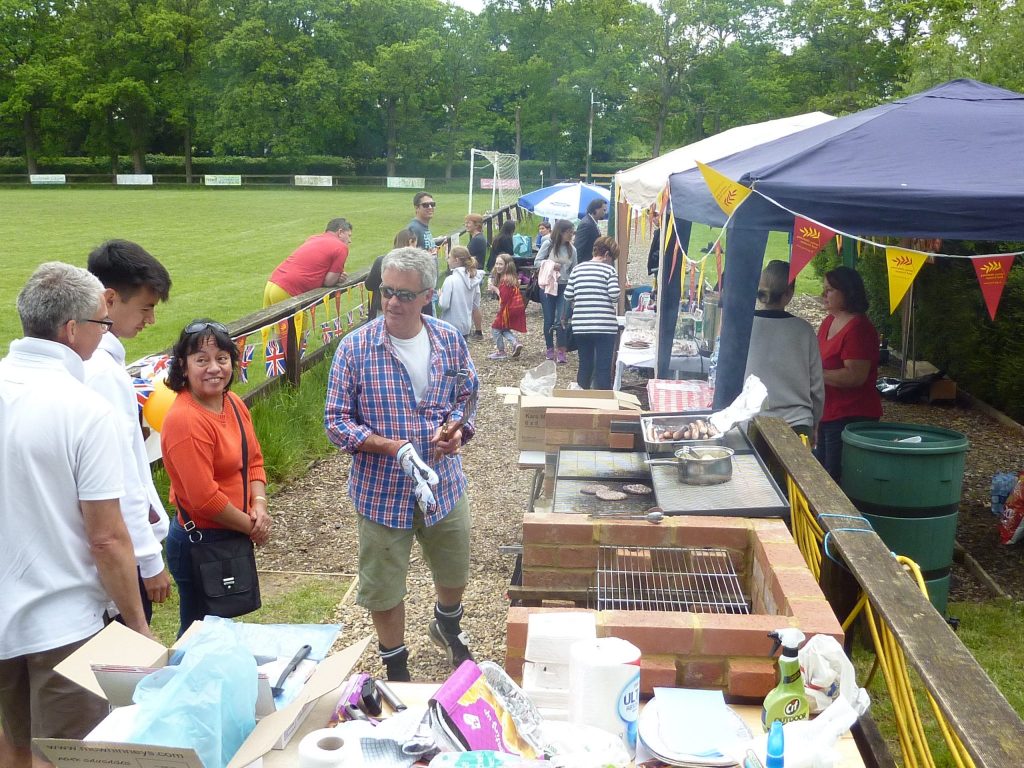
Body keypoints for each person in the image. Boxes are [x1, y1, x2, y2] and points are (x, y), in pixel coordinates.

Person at [1, 263, 152, 763]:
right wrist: (136, 622)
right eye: (100, 324)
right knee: (68, 754)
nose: (103, 334)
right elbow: (107, 538)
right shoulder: (85, 409)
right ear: (72, 330)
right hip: (65, 621)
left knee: (14, 743)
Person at [325, 246, 478, 682]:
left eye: (404, 295)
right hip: (381, 492)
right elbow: (335, 422)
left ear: (428, 295)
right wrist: (390, 447)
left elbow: (468, 396)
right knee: (383, 584)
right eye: (385, 291)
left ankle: (446, 622)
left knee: (454, 567)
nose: (391, 301)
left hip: (444, 484)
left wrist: (456, 432)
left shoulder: (448, 340)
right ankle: (396, 666)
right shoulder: (355, 349)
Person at [161, 320, 272, 637]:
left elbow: (254, 461)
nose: (214, 368)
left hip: (234, 531)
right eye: (202, 360)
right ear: (183, 365)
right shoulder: (185, 420)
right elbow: (205, 500)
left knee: (221, 626)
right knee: (198, 632)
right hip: (201, 542)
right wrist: (252, 528)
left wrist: (260, 505)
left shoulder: (233, 403)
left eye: (222, 358)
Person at [84, 240, 173, 624]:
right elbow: (122, 474)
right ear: (109, 299)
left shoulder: (93, 360)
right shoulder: (101, 371)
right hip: (122, 556)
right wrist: (149, 558)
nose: (150, 320)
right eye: (146, 307)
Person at [814, 266, 882, 481]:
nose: (824, 295)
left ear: (848, 292)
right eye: (824, 289)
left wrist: (813, 374)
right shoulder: (828, 321)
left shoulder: (859, 329)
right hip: (828, 412)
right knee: (822, 474)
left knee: (836, 479)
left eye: (831, 290)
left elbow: (855, 376)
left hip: (850, 416)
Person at [743, 260, 824, 441]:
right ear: (789, 293)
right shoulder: (804, 330)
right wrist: (815, 421)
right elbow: (817, 387)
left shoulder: (745, 327)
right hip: (797, 424)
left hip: (751, 422)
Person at [565, 236, 620, 389]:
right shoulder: (609, 270)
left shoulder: (578, 269)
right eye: (612, 258)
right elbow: (614, 295)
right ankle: (603, 403)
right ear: (608, 255)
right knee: (603, 367)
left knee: (585, 365)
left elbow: (568, 295)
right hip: (604, 325)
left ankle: (583, 401)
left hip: (581, 325)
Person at [534, 218, 577, 363]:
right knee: (548, 318)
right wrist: (552, 265)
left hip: (564, 285)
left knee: (562, 319)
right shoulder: (548, 244)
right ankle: (549, 347)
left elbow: (574, 270)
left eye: (572, 233)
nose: (571, 235)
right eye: (568, 233)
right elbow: (537, 261)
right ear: (561, 232)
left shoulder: (572, 249)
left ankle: (561, 349)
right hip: (548, 285)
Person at [368, 229, 417, 321]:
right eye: (415, 244)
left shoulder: (382, 261)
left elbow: (369, 285)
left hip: (384, 308)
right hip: (408, 307)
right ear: (411, 242)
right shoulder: (416, 265)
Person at [437, 246, 482, 338]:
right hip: (466, 325)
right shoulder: (474, 279)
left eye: (449, 257)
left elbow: (444, 305)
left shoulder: (450, 280)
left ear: (456, 260)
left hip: (450, 325)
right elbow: (476, 304)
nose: (447, 260)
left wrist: (440, 296)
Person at [489, 253, 526, 361]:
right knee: (503, 328)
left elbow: (503, 297)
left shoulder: (505, 280)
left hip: (507, 309)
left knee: (495, 328)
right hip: (515, 307)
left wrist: (495, 289)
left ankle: (501, 351)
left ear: (507, 265)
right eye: (496, 264)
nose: (498, 266)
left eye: (501, 264)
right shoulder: (511, 277)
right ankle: (515, 343)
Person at [463, 214, 487, 337]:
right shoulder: (478, 238)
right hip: (477, 274)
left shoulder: (477, 240)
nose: (466, 225)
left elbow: (466, 256)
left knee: (472, 305)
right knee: (474, 305)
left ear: (476, 224)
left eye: (468, 223)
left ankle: (474, 331)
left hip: (474, 274)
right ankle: (478, 331)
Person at [574, 198, 607, 263]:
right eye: (604, 210)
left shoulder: (592, 222)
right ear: (596, 209)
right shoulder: (586, 224)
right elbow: (579, 247)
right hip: (585, 264)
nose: (605, 212)